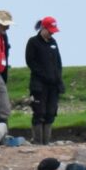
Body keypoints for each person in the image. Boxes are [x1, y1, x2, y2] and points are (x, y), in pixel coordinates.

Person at [25, 17, 64, 145]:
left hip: (53, 85)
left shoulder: (54, 42)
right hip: (39, 85)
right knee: (39, 112)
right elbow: (30, 62)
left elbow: (58, 62)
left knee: (51, 112)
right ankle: (38, 142)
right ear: (43, 28)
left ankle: (46, 142)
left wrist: (59, 80)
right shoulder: (33, 42)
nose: (52, 33)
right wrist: (44, 75)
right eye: (50, 30)